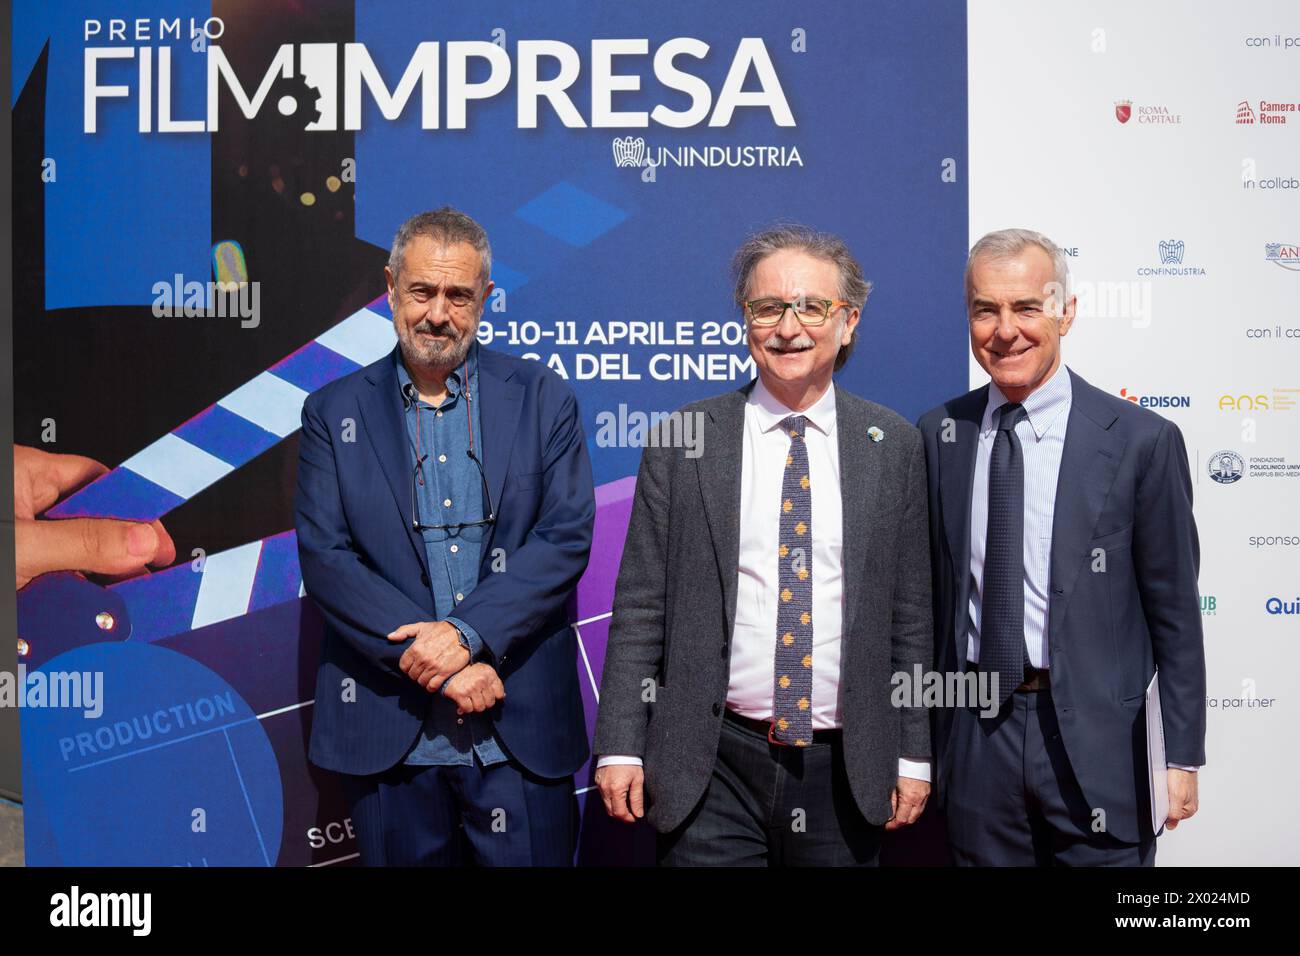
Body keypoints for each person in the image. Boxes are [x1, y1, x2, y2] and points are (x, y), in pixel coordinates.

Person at [593, 224, 933, 865]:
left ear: (849, 321)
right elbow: (641, 605)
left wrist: (913, 753)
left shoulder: (893, 446)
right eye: (767, 307)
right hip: (709, 764)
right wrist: (620, 744)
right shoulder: (683, 439)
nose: (788, 327)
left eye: (812, 306)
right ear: (746, 320)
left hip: (845, 768)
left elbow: (909, 616)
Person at [296, 207, 595, 865]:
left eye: (458, 295)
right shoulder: (331, 413)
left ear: (485, 297)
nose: (437, 313)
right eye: (421, 291)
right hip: (391, 734)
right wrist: (443, 667)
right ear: (391, 287)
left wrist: (466, 636)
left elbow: (565, 535)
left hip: (519, 732)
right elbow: (327, 557)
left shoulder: (544, 397)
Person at [917, 228, 1205, 866]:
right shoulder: (940, 434)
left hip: (1105, 747)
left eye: (1027, 307)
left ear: (1065, 312)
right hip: (975, 741)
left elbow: (1177, 615)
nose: (1005, 329)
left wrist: (1180, 755)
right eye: (985, 309)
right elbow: (927, 606)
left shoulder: (1141, 441)